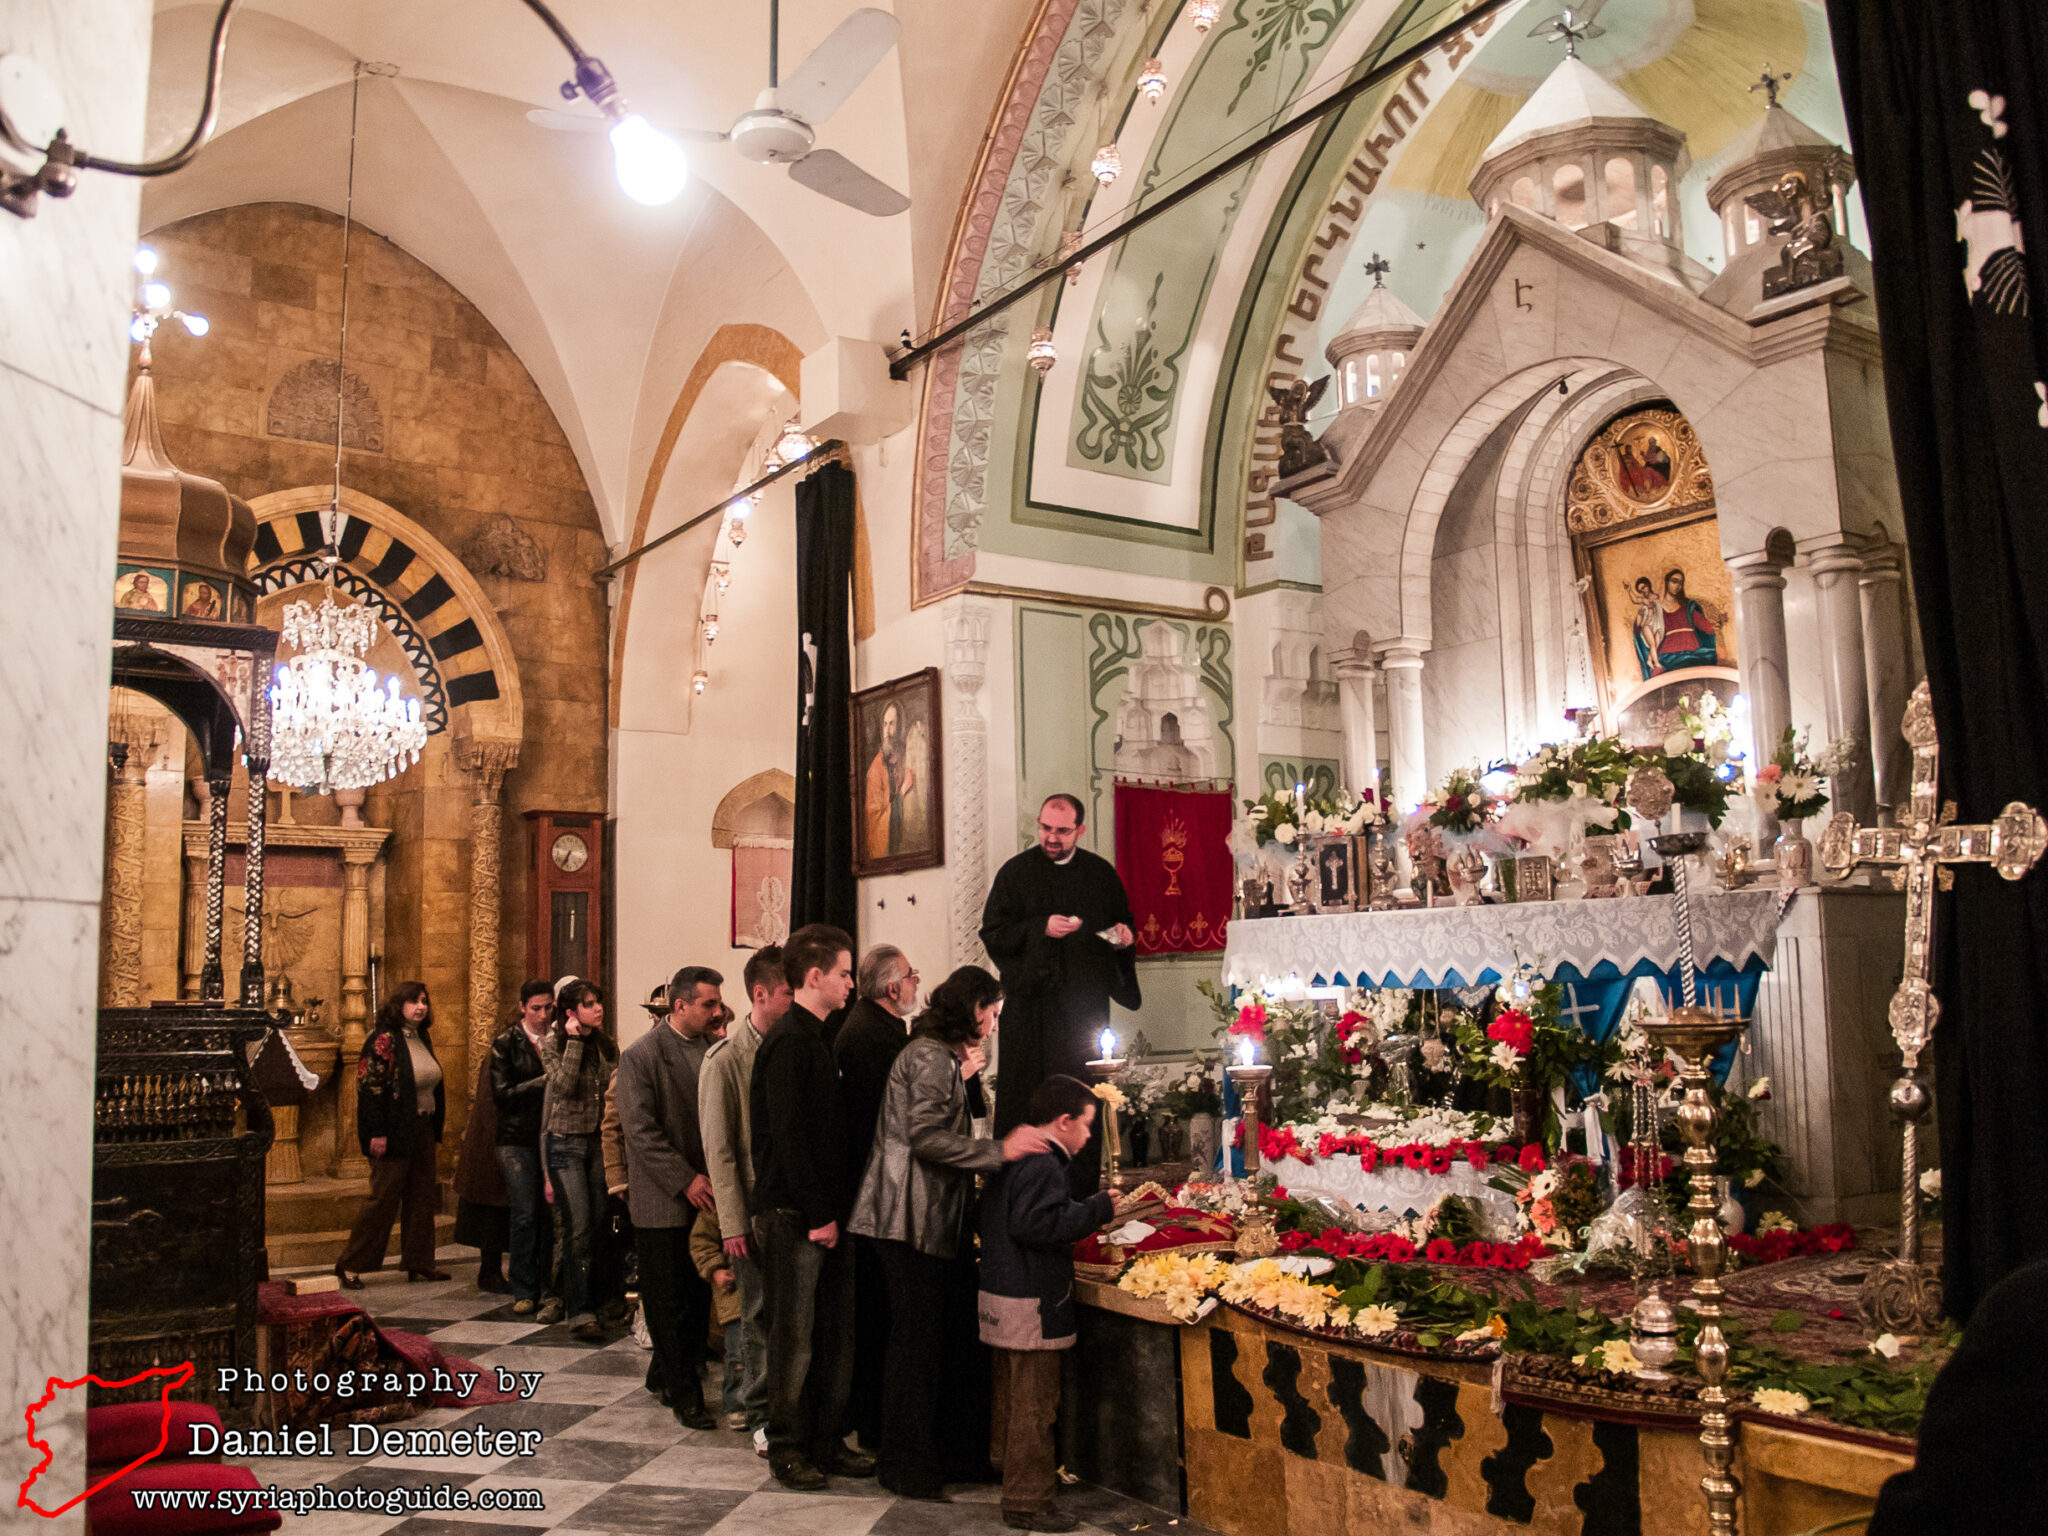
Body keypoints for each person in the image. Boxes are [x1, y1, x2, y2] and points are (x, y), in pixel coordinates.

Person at [849, 965, 1046, 1501]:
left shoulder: (940, 1056)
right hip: (907, 1218)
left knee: (950, 1339)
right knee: (916, 1346)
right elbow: (926, 1138)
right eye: (994, 1014)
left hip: (929, 1217)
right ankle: (905, 1465)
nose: (996, 1025)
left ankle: (957, 1454)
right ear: (975, 1009)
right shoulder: (930, 1056)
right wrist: (1000, 1152)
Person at [750, 923, 875, 1491]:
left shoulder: (821, 1036)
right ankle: (786, 1447)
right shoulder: (790, 1041)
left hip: (828, 1212)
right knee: (794, 1339)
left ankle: (826, 1440)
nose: (851, 983)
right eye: (845, 973)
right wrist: (819, 1214)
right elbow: (789, 1139)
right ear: (816, 975)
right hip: (794, 1215)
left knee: (834, 1335)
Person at [977, 1074, 1118, 1533]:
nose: (1089, 1135)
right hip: (1032, 1302)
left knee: (1011, 1397)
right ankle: (1028, 1500)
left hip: (1003, 1292)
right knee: (1035, 1405)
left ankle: (1009, 1471)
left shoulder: (1016, 1158)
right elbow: (1037, 1225)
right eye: (1086, 1124)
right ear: (1063, 1122)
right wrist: (1096, 1208)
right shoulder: (1044, 1164)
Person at [981, 792, 1140, 1193]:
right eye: (1045, 828)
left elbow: (1115, 929)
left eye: (1062, 831)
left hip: (1083, 1012)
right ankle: (1017, 1195)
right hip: (1030, 1012)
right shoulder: (1015, 873)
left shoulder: (1099, 874)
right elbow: (994, 933)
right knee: (1025, 1099)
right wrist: (1041, 928)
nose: (1051, 838)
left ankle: (1079, 1195)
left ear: (1079, 830)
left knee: (1079, 1099)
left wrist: (1122, 938)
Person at [615, 964, 723, 1428]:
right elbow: (640, 1130)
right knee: (666, 1299)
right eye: (708, 1003)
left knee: (696, 1296)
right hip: (664, 1196)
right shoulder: (641, 1055)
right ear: (679, 1006)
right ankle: (685, 1394)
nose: (717, 1011)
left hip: (708, 1192)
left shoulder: (713, 1049)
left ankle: (666, 1373)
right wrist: (686, 1179)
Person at [699, 946, 790, 1450]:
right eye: (788, 992)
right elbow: (721, 1151)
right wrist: (732, 1223)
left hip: (788, 1208)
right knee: (754, 1315)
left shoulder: (795, 1045)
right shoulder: (726, 1059)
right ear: (760, 994)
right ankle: (759, 1412)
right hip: (751, 1208)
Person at [835, 944, 922, 1450]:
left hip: (878, 1188)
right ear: (892, 988)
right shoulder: (871, 1036)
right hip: (874, 1192)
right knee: (878, 1313)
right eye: (911, 976)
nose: (915, 983)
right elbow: (893, 1116)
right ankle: (874, 1423)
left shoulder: (881, 1028)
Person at [335, 982, 448, 1288]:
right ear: (399, 1005)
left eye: (424, 1001)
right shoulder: (383, 1039)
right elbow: (369, 1089)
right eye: (414, 1001)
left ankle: (419, 1262)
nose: (421, 1007)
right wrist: (377, 1133)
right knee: (382, 1200)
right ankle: (350, 1265)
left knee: (422, 1197)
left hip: (422, 1127)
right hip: (394, 1131)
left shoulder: (421, 1037)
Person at [541, 978, 618, 1340]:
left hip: (599, 1143)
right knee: (579, 1227)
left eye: (598, 1001)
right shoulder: (552, 1044)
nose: (598, 1008)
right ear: (571, 1012)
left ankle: (601, 1298)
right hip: (566, 1144)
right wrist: (573, 1041)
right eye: (589, 1004)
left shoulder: (607, 1044)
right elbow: (564, 1086)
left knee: (601, 1222)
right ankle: (580, 1310)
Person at [491, 980, 556, 1315]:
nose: (543, 1015)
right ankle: (523, 1288)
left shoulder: (557, 1039)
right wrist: (542, 1082)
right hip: (516, 1138)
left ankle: (548, 1287)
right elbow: (502, 1094)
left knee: (549, 1215)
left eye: (548, 1008)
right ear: (522, 1008)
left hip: (550, 1135)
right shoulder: (506, 1042)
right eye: (536, 1009)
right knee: (525, 1213)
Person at [452, 1038, 510, 1295]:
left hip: (513, 1139)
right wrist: (502, 1138)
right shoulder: (501, 1051)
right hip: (494, 1142)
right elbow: (489, 1101)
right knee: (491, 1212)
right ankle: (490, 1270)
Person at [689, 1203, 746, 1427]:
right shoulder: (718, 1203)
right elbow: (701, 1241)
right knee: (738, 1352)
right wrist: (715, 1269)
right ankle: (737, 1403)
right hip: (734, 1292)